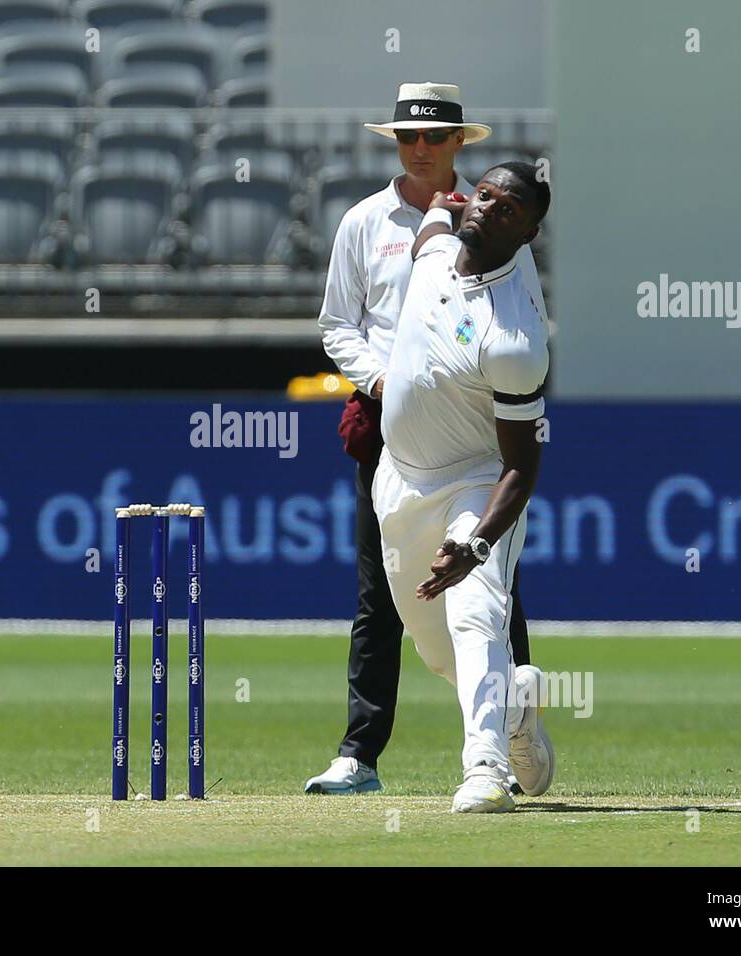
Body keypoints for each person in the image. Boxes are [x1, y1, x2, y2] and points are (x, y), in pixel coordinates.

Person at [307, 82, 546, 795]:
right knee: (388, 600)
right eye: (408, 136)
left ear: (457, 145)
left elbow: (510, 319)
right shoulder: (384, 225)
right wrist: (385, 379)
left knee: (485, 599)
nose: (420, 148)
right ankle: (370, 750)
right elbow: (336, 325)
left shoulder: (489, 224)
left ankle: (489, 759)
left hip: (476, 442)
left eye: (435, 137)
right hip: (393, 436)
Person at [373, 162, 555, 811]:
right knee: (438, 653)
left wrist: (476, 546)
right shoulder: (437, 242)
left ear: (527, 233)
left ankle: (485, 770)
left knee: (476, 612)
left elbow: (522, 468)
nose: (488, 211)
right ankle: (515, 713)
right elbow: (437, 205)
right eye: (484, 197)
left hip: (474, 484)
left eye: (508, 210)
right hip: (397, 483)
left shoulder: (515, 340)